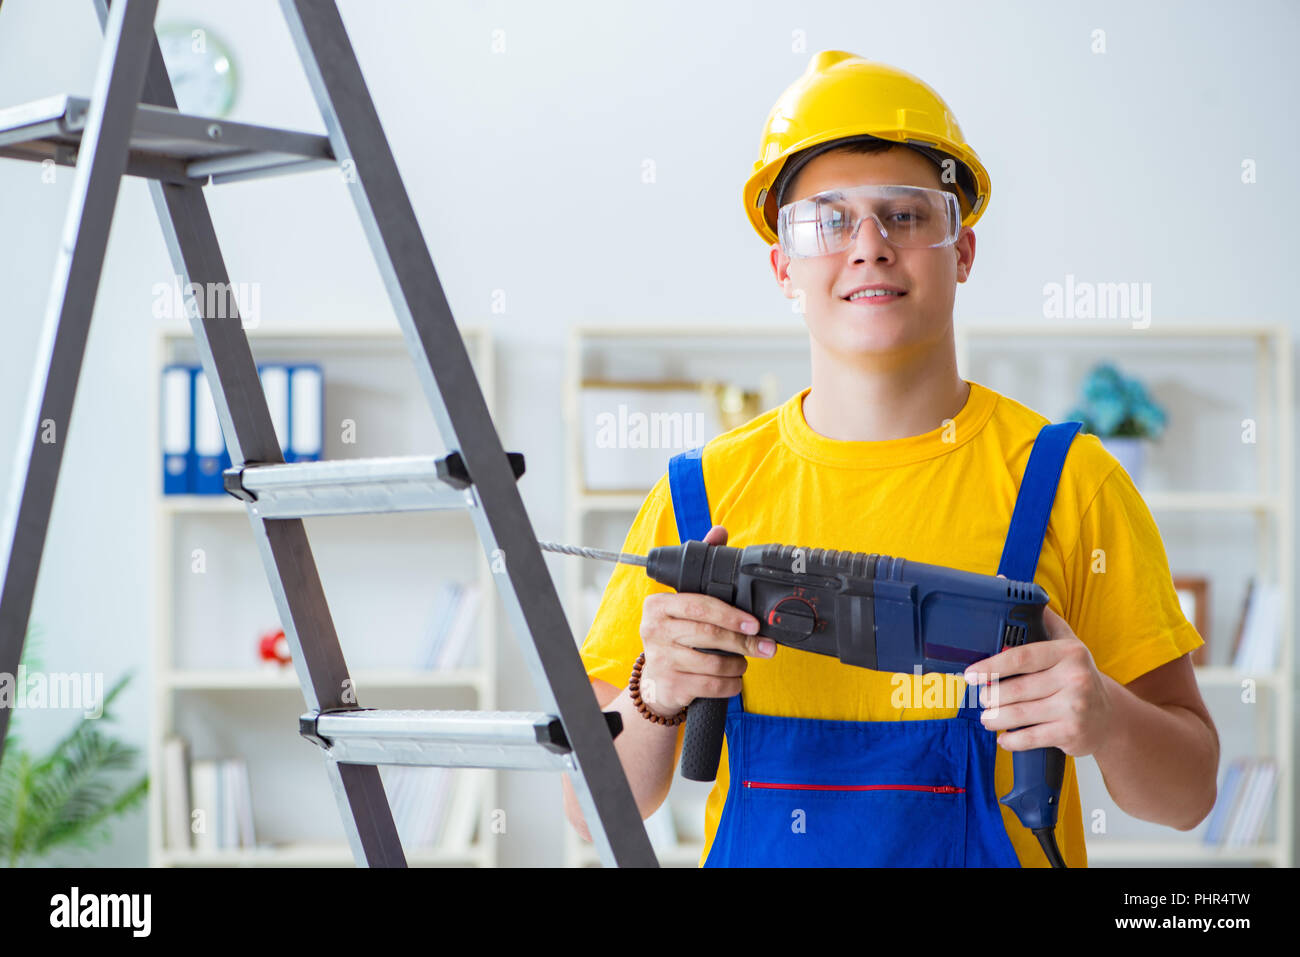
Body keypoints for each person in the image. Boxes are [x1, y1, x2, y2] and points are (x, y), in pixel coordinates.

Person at [562, 50, 1217, 867]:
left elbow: (1190, 794)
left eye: (906, 215)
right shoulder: (700, 499)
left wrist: (1107, 717)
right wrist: (653, 695)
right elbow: (591, 807)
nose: (868, 246)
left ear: (964, 250)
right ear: (784, 268)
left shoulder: (1069, 483)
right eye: (828, 221)